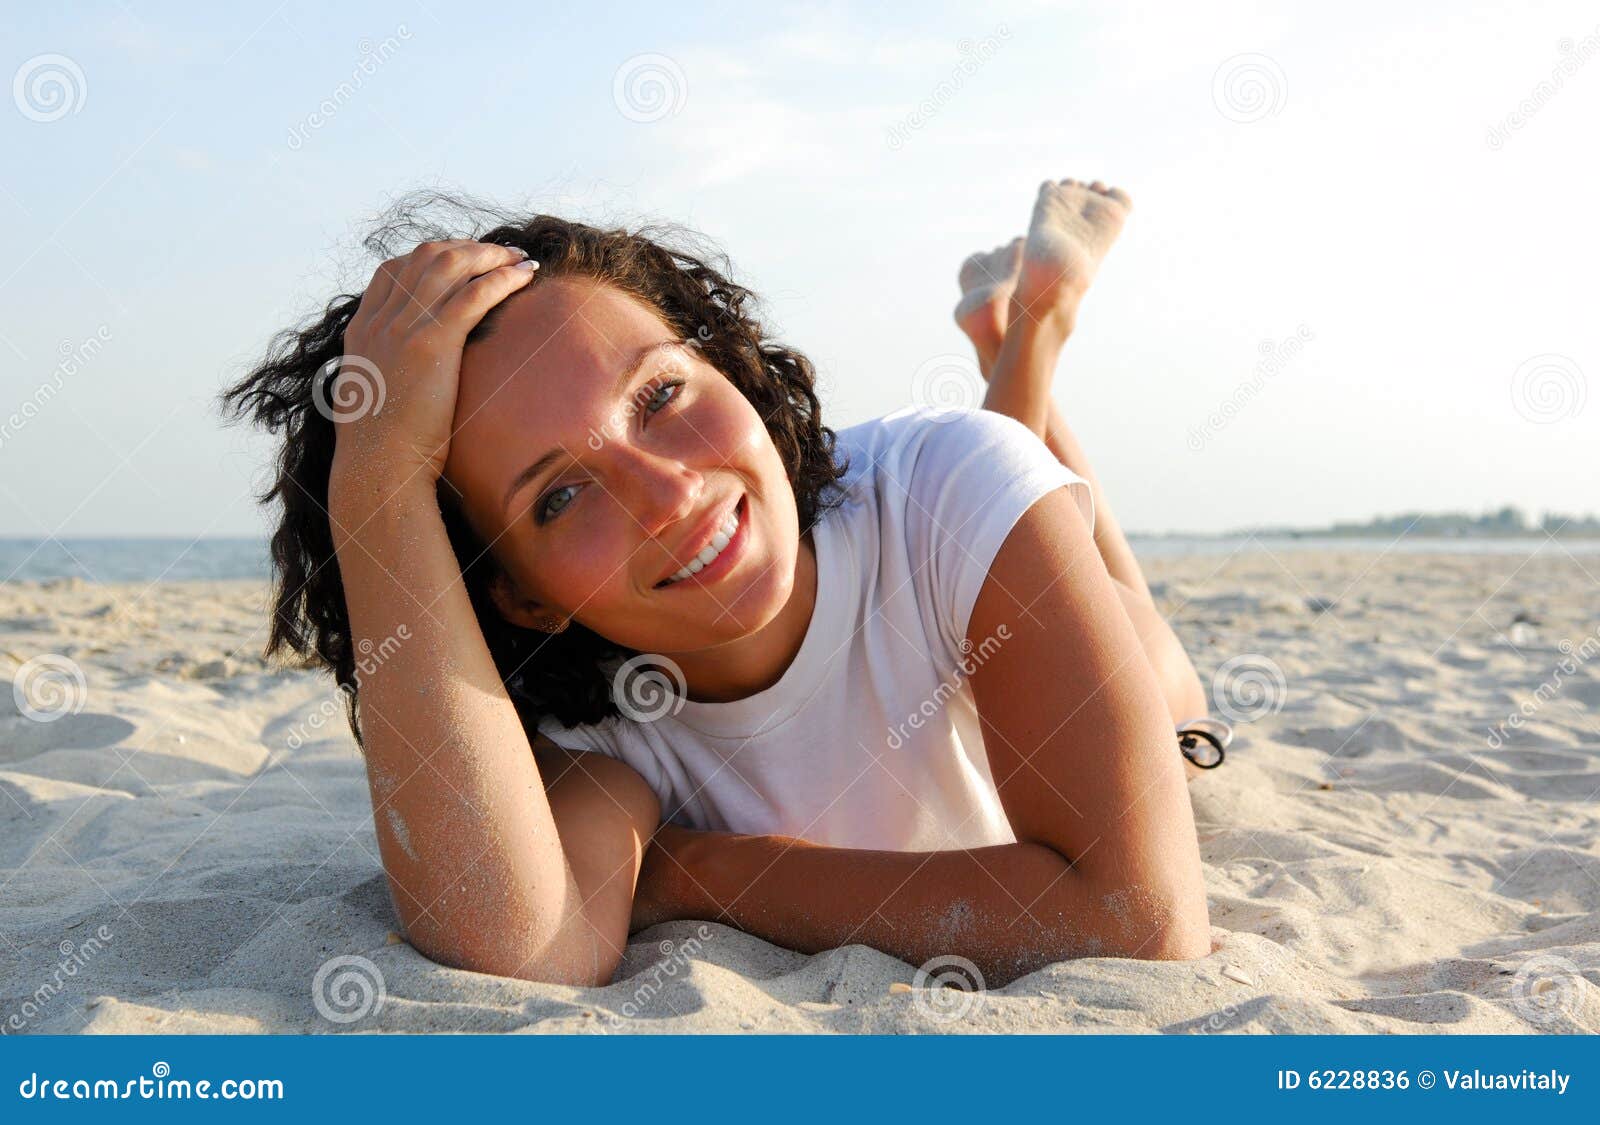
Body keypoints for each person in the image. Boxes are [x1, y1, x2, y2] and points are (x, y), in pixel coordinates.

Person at [222, 178, 1216, 990]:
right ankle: (1018, 335)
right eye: (560, 497)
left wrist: (701, 868)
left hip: (972, 520)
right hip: (958, 523)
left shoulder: (943, 482)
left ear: (728, 364)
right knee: (1015, 480)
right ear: (519, 597)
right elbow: (525, 947)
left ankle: (1032, 333)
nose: (665, 494)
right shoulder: (590, 724)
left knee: (1143, 646)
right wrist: (379, 482)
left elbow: (1135, 919)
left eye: (659, 395)